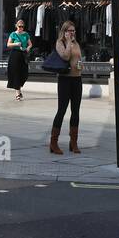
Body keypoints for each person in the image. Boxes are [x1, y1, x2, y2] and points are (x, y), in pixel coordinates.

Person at [49, 21, 83, 155]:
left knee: (76, 111)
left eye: (73, 30)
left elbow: (77, 58)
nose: (72, 33)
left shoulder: (76, 43)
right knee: (61, 110)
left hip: (77, 80)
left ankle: (73, 142)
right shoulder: (60, 43)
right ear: (64, 32)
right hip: (64, 80)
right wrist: (68, 41)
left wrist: (80, 66)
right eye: (69, 31)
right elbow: (65, 56)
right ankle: (53, 142)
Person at [6, 17, 31, 100]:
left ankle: (19, 89)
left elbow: (30, 44)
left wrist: (28, 48)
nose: (21, 28)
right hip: (15, 55)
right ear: (16, 26)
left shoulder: (26, 34)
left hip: (23, 55)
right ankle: (17, 93)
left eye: (22, 26)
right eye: (19, 26)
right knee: (16, 73)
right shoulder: (13, 34)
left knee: (24, 73)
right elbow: (8, 44)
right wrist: (16, 44)